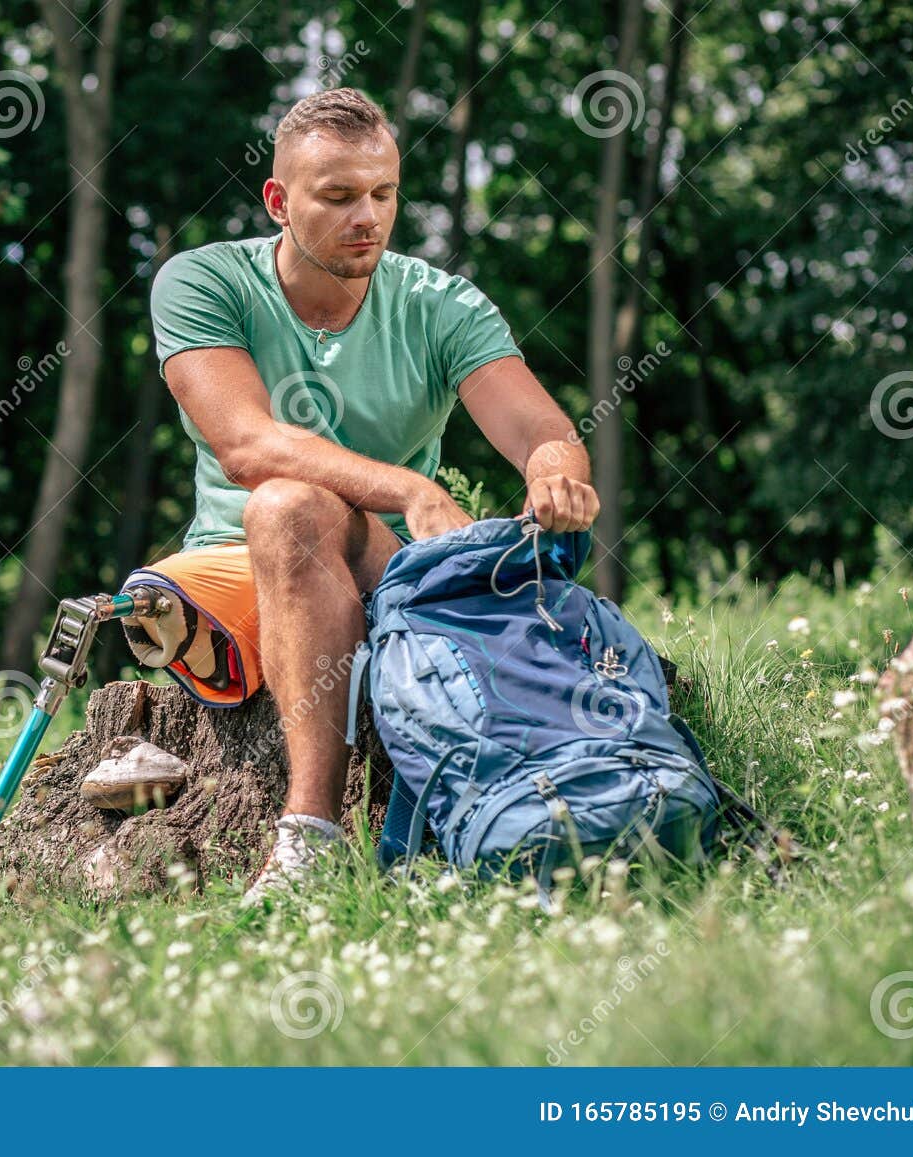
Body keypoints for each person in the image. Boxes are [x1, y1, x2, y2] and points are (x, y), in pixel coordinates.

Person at [115, 87, 599, 903]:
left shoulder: (439, 305)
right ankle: (313, 840)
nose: (366, 216)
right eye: (338, 197)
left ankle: (338, 840)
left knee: (297, 511)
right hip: (230, 564)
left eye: (383, 193)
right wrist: (411, 487)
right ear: (278, 200)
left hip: (384, 569)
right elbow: (248, 447)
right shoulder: (200, 280)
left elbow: (541, 429)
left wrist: (557, 475)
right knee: (282, 503)